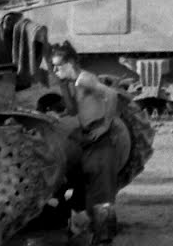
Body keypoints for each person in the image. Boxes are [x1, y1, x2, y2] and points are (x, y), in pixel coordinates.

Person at [49, 40, 130, 245]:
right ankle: (96, 231)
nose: (55, 69)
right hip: (87, 137)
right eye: (53, 66)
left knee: (101, 192)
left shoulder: (84, 79)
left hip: (101, 137)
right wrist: (61, 86)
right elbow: (74, 111)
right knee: (87, 186)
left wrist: (106, 124)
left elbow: (111, 95)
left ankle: (103, 238)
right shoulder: (73, 83)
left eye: (59, 65)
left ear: (72, 63)